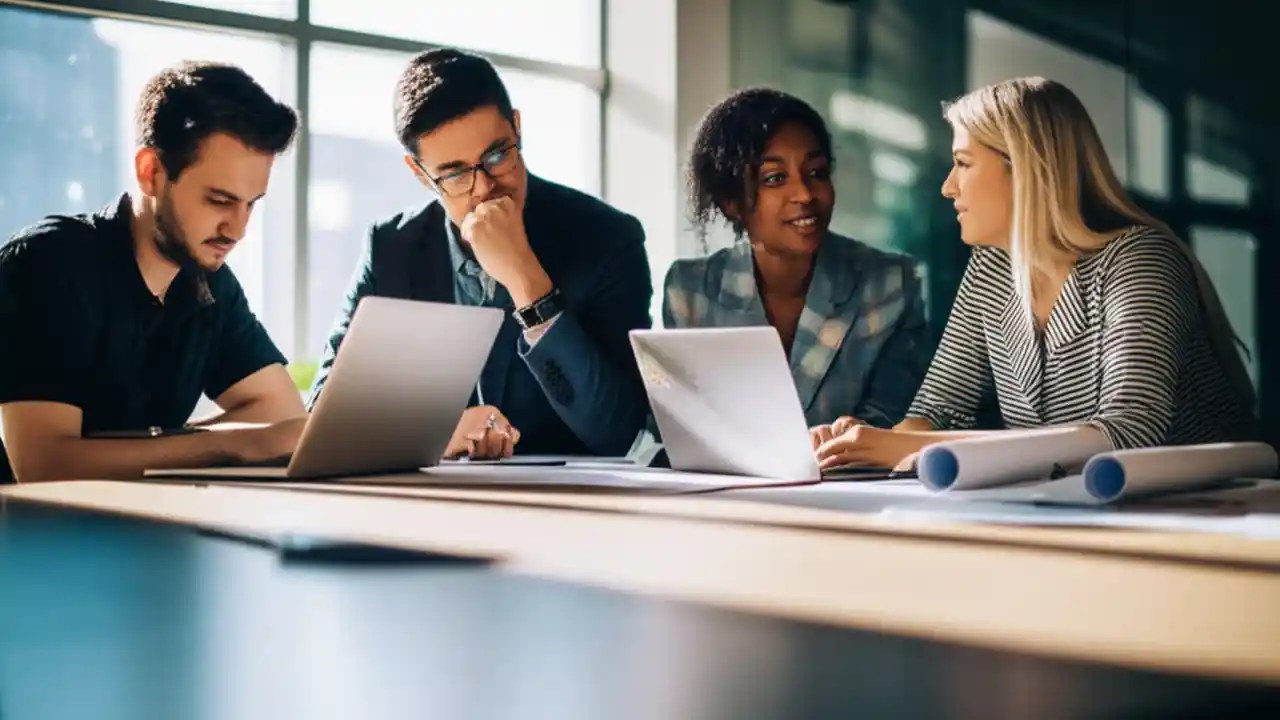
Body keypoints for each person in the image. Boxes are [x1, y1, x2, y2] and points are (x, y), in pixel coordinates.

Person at [812, 77, 1257, 471]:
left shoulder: (1140, 260)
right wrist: (864, 444)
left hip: (1209, 514)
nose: (948, 186)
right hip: (1074, 511)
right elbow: (939, 411)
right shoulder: (993, 267)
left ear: (1025, 170)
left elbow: (1130, 432)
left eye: (964, 163)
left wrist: (908, 448)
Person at [308, 48, 653, 458]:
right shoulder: (391, 248)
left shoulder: (607, 238)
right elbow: (322, 414)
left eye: (497, 156)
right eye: (455, 174)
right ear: (420, 175)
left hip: (569, 501)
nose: (484, 188)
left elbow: (623, 432)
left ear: (517, 128)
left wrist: (528, 284)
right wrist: (436, 432)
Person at [0, 61, 307, 483]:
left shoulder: (209, 280)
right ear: (151, 172)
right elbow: (42, 465)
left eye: (251, 203)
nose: (237, 229)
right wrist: (231, 446)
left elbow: (279, 412)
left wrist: (170, 446)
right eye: (219, 200)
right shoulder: (47, 263)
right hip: (32, 539)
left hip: (145, 532)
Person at [664, 88, 930, 428]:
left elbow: (894, 423)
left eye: (817, 172)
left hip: (853, 480)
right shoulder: (690, 291)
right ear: (730, 201)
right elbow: (680, 427)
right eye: (774, 179)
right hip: (727, 482)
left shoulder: (890, 283)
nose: (805, 194)